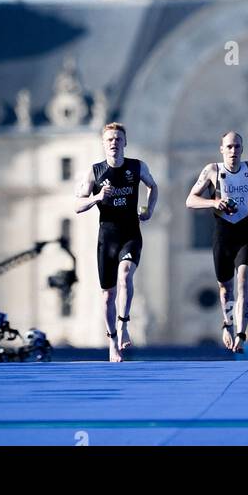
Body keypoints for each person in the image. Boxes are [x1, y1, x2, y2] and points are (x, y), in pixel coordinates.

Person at [75, 122, 158, 362]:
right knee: (107, 296)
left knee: (125, 275)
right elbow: (77, 205)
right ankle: (112, 343)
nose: (114, 143)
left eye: (118, 139)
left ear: (124, 143)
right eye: (110, 139)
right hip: (106, 238)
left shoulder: (136, 166)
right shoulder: (95, 172)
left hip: (130, 233)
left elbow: (153, 186)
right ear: (104, 143)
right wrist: (98, 197)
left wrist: (149, 210)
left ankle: (123, 325)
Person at [186, 131, 248, 353]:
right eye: (229, 147)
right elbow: (190, 200)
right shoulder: (213, 170)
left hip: (244, 235)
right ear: (222, 149)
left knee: (243, 282)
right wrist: (214, 203)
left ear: (242, 149)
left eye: (237, 147)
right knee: (226, 289)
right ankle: (228, 324)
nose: (233, 151)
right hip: (222, 237)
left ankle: (242, 335)